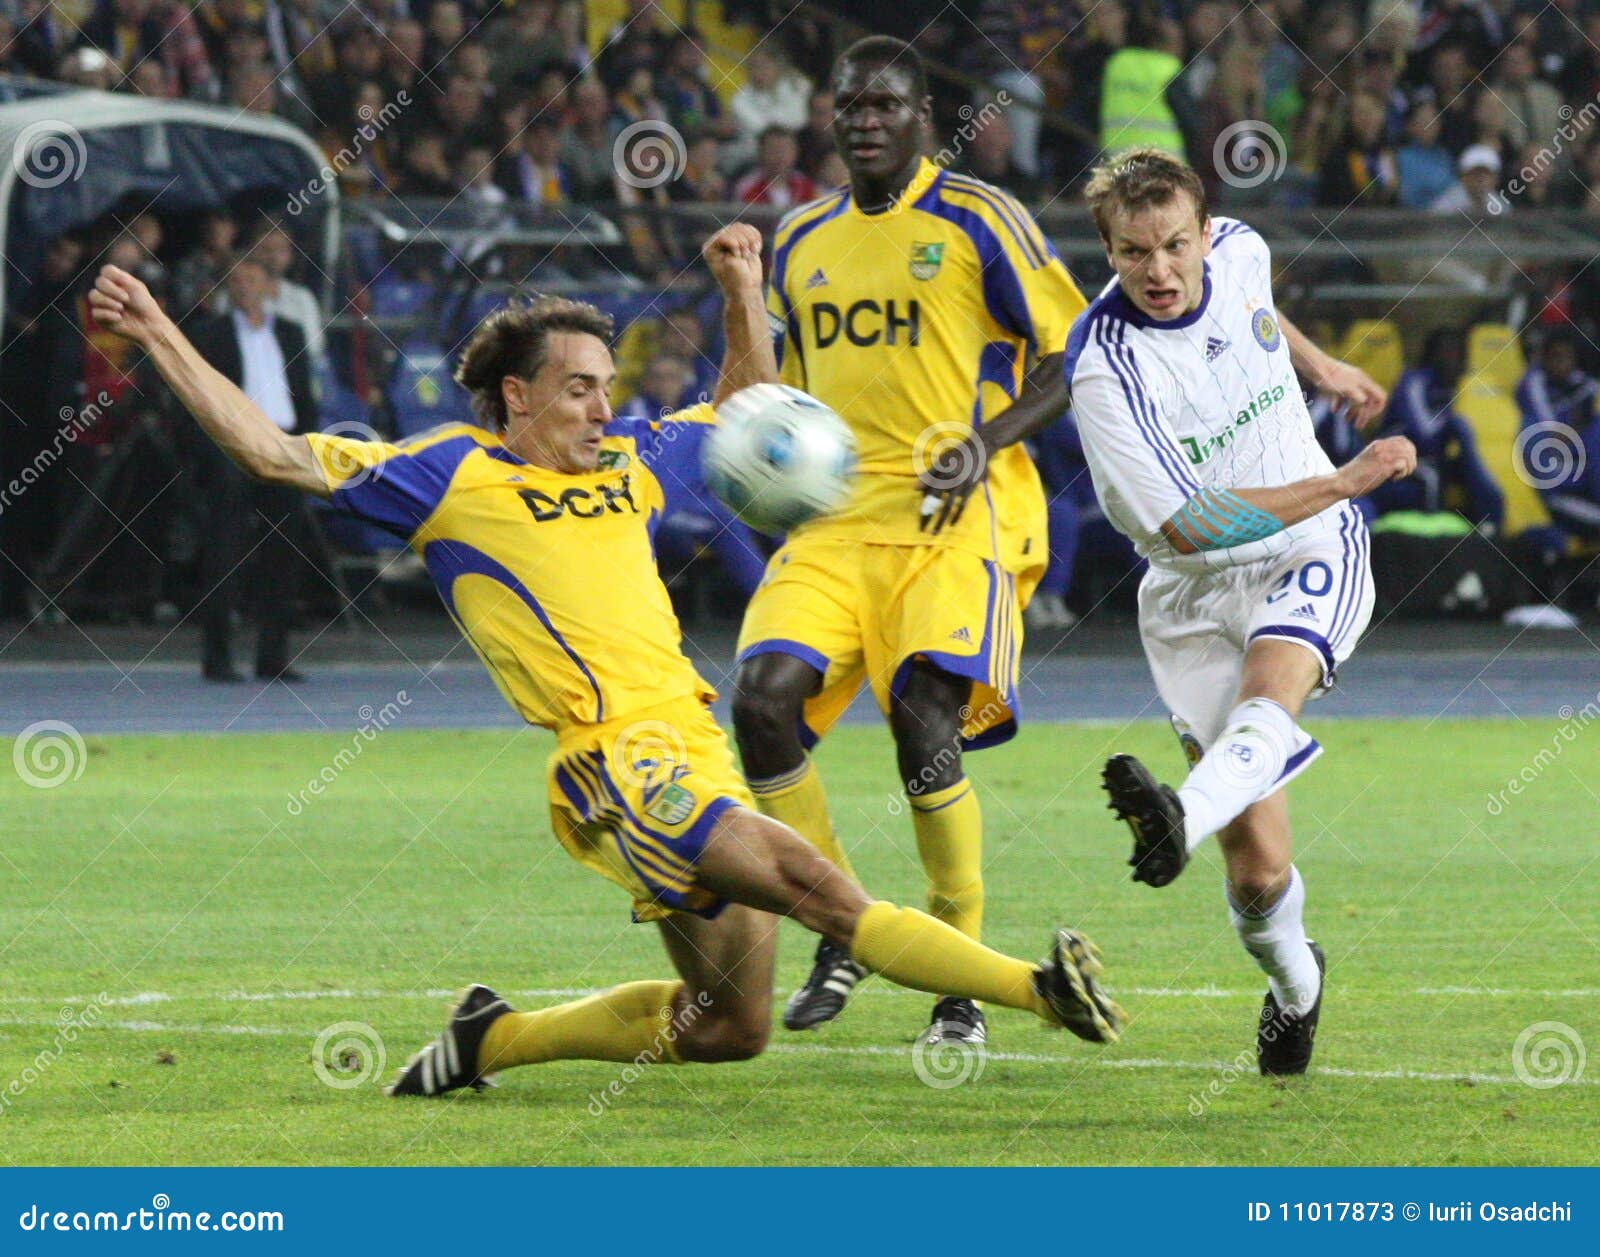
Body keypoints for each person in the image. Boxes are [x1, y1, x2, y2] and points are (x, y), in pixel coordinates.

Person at [88, 225, 1125, 1098]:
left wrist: (741, 289)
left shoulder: (630, 458)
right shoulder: (451, 476)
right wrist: (161, 331)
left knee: (727, 1028)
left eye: (606, 386)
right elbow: (269, 450)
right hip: (617, 759)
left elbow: (750, 417)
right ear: (517, 395)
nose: (600, 406)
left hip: (694, 743)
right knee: (815, 885)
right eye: (578, 389)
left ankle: (491, 1038)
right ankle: (1037, 992)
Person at [734, 36, 1090, 1048]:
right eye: (849, 103)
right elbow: (776, 393)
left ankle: (957, 983)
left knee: (925, 717)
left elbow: (1073, 353)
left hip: (953, 515)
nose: (865, 120)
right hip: (835, 521)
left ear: (925, 117)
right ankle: (841, 924)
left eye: (885, 104)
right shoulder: (800, 238)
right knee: (759, 703)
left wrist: (986, 441)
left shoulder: (979, 216)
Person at [1066, 149, 1414, 1076]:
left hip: (1309, 545)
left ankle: (1176, 819)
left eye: (1176, 245)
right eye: (1134, 252)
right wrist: (1343, 477)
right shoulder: (1104, 368)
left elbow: (1255, 306)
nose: (1160, 270)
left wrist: (1321, 364)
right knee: (1258, 871)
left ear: (1206, 232)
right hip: (1191, 586)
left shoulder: (1244, 249)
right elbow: (1191, 526)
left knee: (1271, 696)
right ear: (1107, 249)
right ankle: (1297, 984)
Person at [186, 255, 316, 682]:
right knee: (224, 554)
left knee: (282, 556)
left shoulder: (292, 334)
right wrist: (210, 454)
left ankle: (272, 657)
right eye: (236, 280)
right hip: (234, 450)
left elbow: (304, 396)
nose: (243, 287)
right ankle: (217, 657)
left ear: (268, 287)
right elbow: (196, 399)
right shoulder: (210, 334)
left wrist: (308, 450)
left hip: (283, 448)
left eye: (251, 279)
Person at [1375, 327, 1504, 529]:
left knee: (1479, 464)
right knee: (1432, 475)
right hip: (1401, 454)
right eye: (1446, 352)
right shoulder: (1414, 382)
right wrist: (1452, 423)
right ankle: (1434, 538)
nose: (1452, 358)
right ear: (1432, 354)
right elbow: (1424, 435)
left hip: (1438, 455)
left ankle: (1490, 526)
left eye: (1457, 353)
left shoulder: (1465, 383)